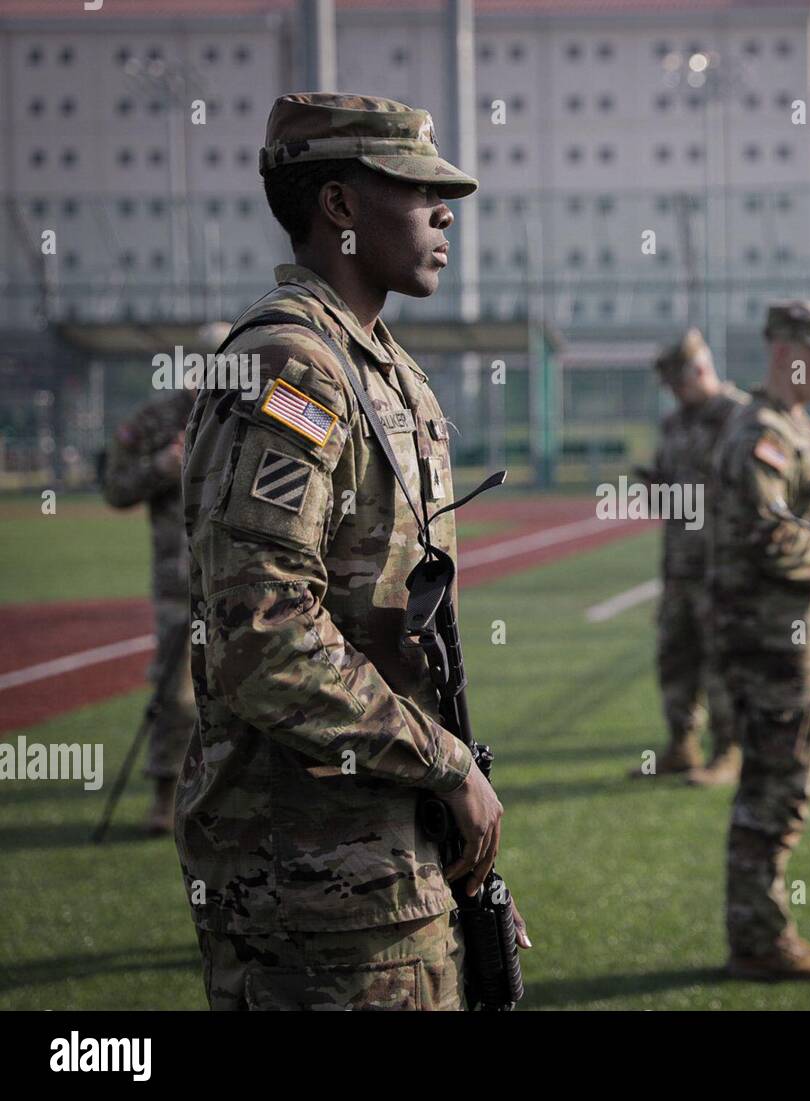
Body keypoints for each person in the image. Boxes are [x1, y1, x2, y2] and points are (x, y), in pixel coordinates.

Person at [176, 93, 528, 1011]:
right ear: (337, 207)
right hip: (312, 882)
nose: (445, 211)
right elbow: (264, 638)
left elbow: (405, 643)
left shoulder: (378, 364)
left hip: (389, 861)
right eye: (416, 188)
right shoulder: (291, 368)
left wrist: (459, 848)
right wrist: (448, 768)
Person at [711, 300, 810, 981]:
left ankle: (765, 930)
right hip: (765, 642)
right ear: (783, 350)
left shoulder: (799, 427)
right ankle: (759, 938)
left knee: (783, 785)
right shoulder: (759, 433)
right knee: (774, 789)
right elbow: (768, 536)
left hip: (792, 632)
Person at [630, 328, 749, 786]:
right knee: (675, 654)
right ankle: (682, 744)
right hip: (680, 563)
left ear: (700, 369)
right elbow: (672, 491)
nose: (675, 395)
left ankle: (728, 751)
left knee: (721, 659)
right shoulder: (674, 425)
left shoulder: (740, 417)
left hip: (723, 564)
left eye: (679, 384)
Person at [102, 388, 197, 835]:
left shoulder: (255, 406)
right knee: (175, 696)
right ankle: (165, 795)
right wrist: (161, 468)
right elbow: (116, 489)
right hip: (178, 581)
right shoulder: (156, 419)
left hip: (246, 580)